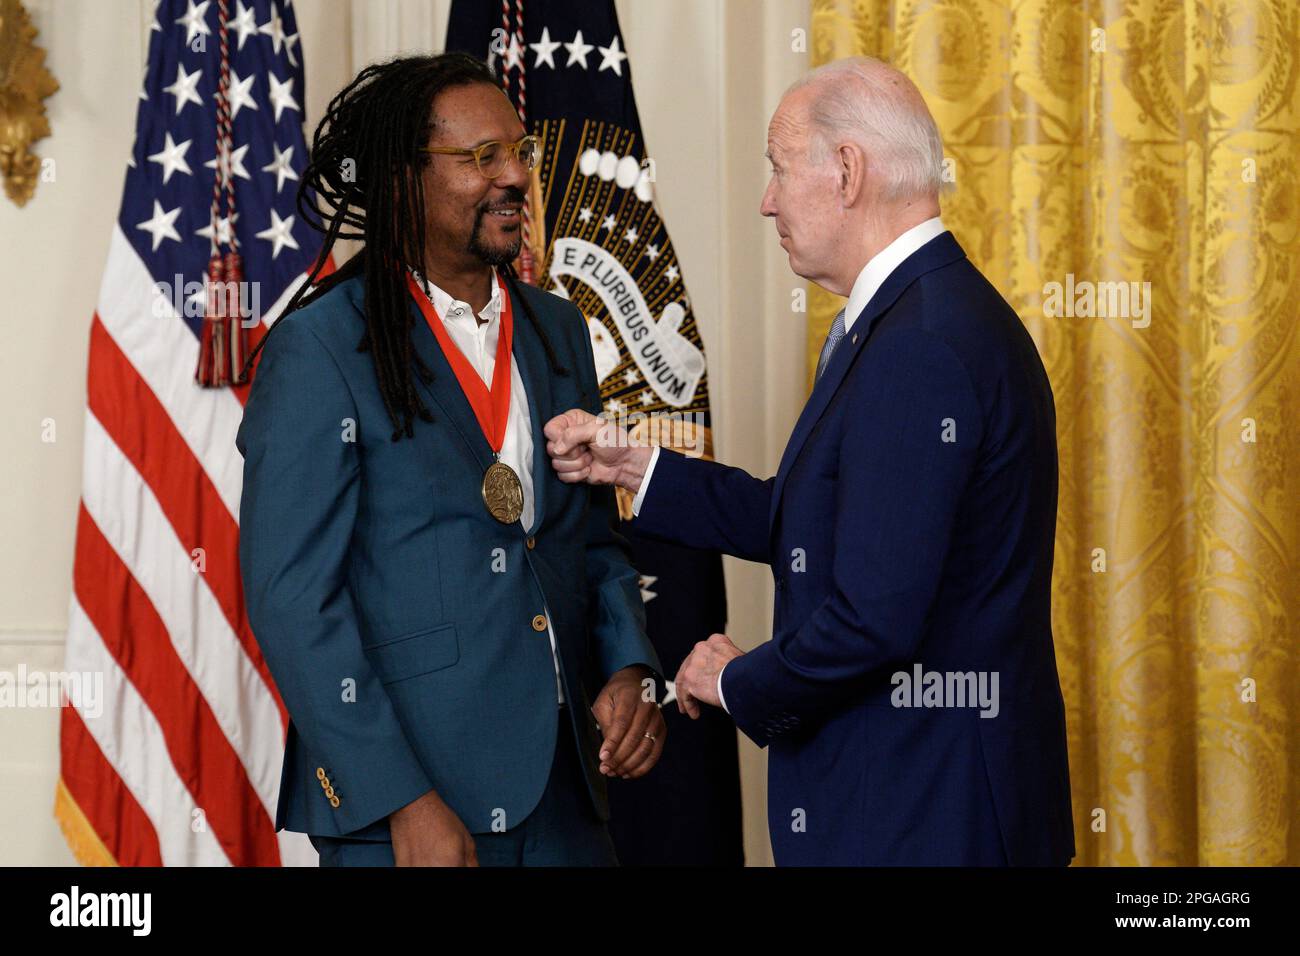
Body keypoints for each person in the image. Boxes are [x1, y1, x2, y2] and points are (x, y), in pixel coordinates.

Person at [545, 57, 1074, 866]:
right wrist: (636, 468)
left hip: (924, 814)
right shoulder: (925, 314)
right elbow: (826, 522)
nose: (766, 200)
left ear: (848, 171)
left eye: (778, 168)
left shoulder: (918, 347)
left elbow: (874, 618)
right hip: (929, 799)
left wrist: (733, 683)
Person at [237, 53, 665, 867]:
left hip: (568, 797)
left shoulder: (559, 329)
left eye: (521, 153)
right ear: (403, 180)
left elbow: (590, 542)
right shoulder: (321, 349)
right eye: (481, 159)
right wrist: (401, 801)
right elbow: (293, 600)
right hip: (413, 815)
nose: (516, 178)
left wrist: (626, 663)